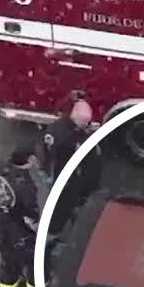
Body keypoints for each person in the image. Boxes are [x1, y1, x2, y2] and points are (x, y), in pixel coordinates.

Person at [43, 99, 103, 238]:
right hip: (64, 176)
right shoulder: (59, 133)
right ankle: (54, 231)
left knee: (70, 201)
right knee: (61, 205)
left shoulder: (74, 131)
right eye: (84, 123)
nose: (86, 126)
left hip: (76, 177)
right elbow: (53, 153)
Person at [0, 145, 40, 287]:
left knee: (8, 260)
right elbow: (30, 214)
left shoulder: (1, 170)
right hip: (20, 231)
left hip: (3, 225)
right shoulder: (24, 186)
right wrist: (37, 227)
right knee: (34, 259)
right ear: (29, 160)